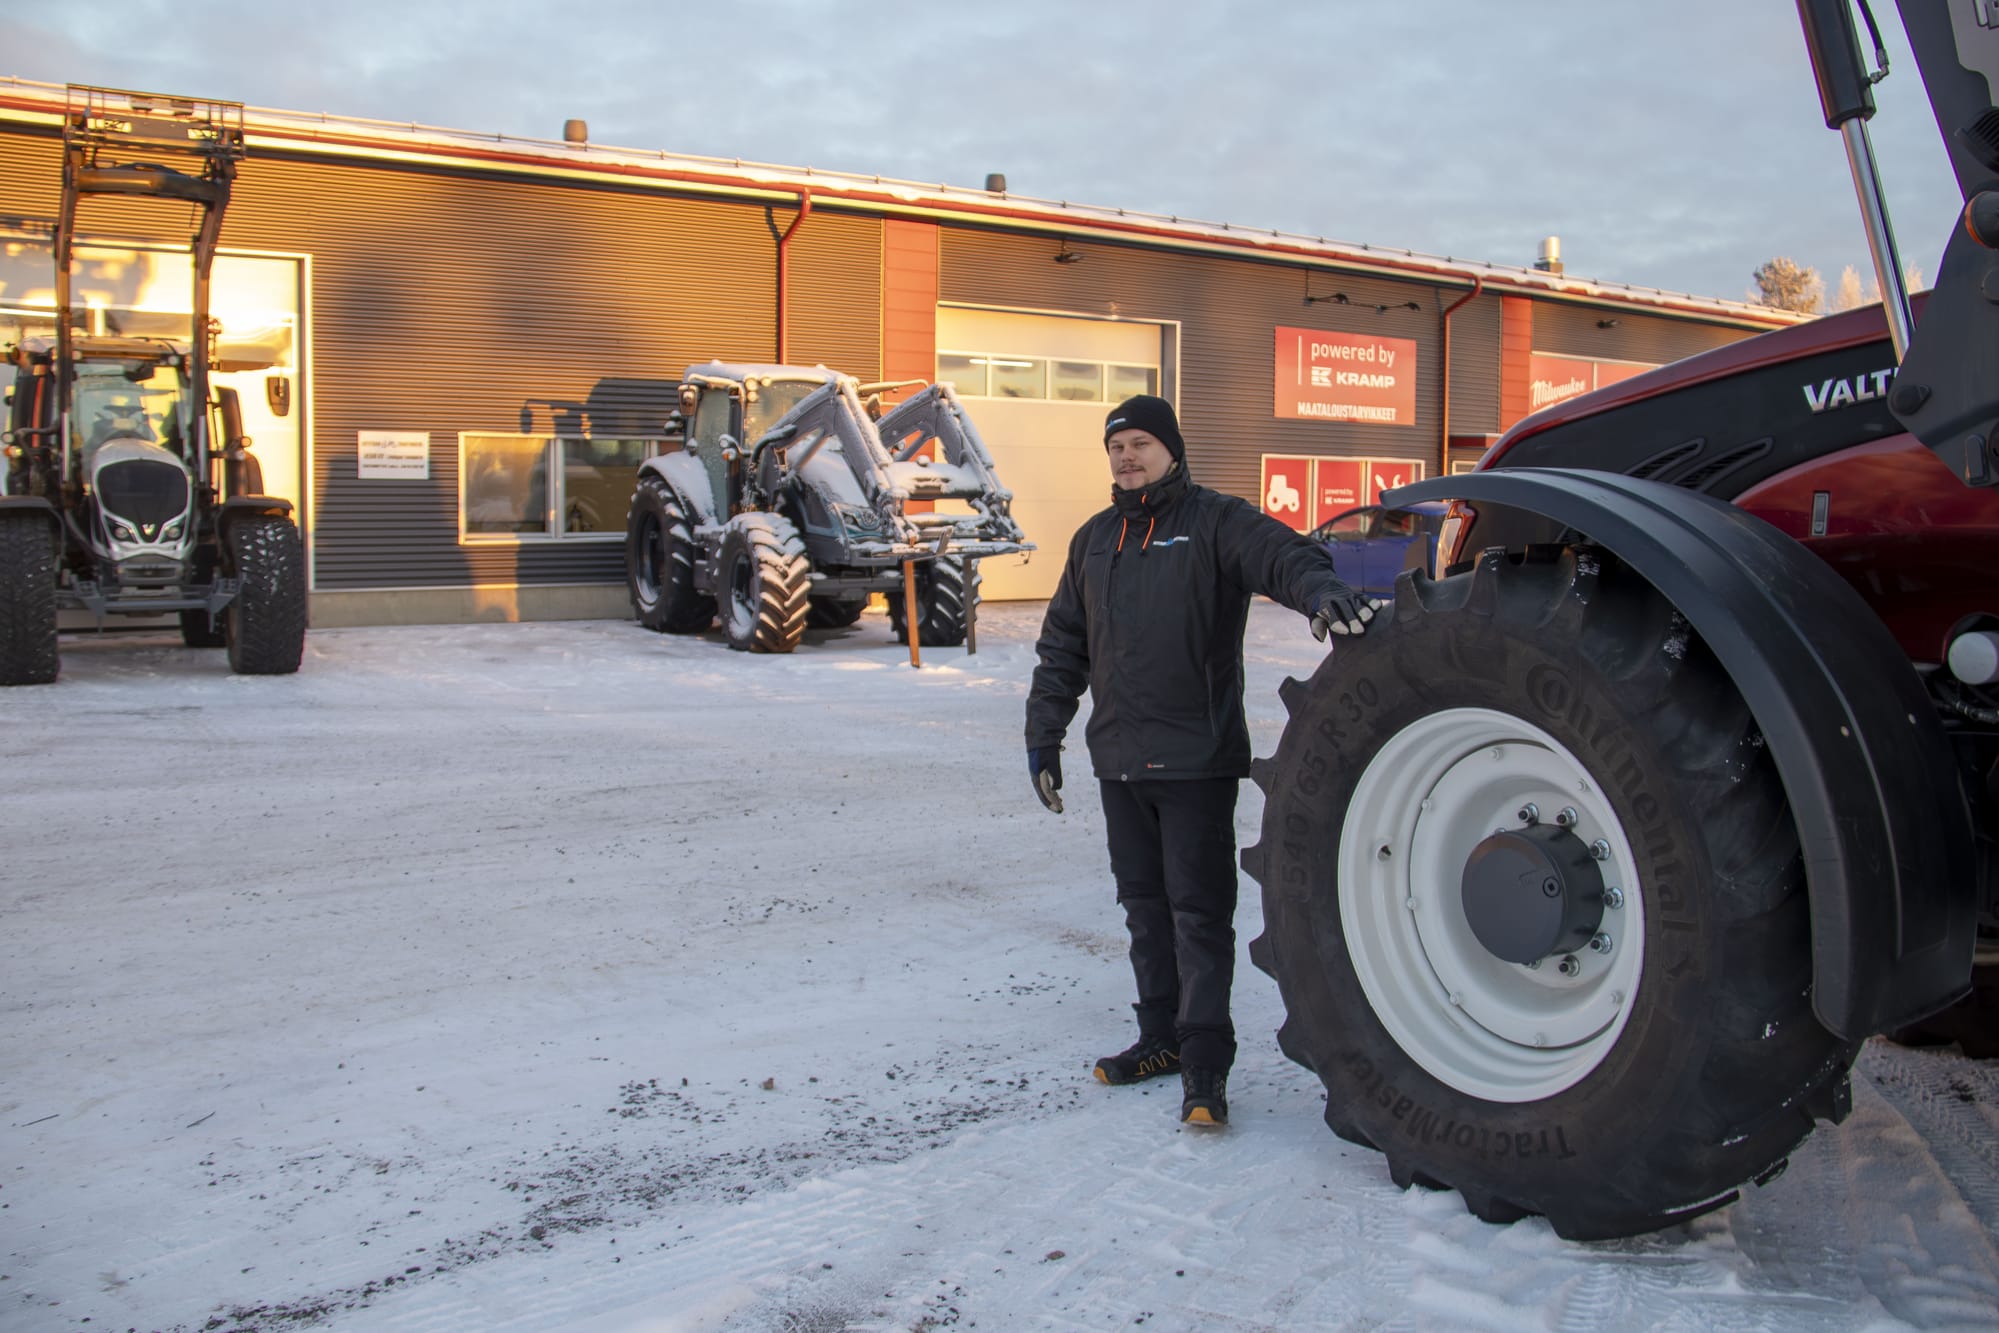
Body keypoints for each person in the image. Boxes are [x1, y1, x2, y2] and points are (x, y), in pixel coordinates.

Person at [1024, 394, 1373, 1128]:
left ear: (1171, 449)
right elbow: (1063, 646)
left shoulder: (1214, 522)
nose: (1127, 457)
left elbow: (1286, 554)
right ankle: (1159, 1040)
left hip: (1195, 763)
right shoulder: (1093, 540)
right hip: (1119, 761)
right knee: (1144, 911)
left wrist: (1322, 593)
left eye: (1141, 443)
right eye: (1116, 446)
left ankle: (1205, 1064)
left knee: (1198, 916)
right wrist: (1043, 735)